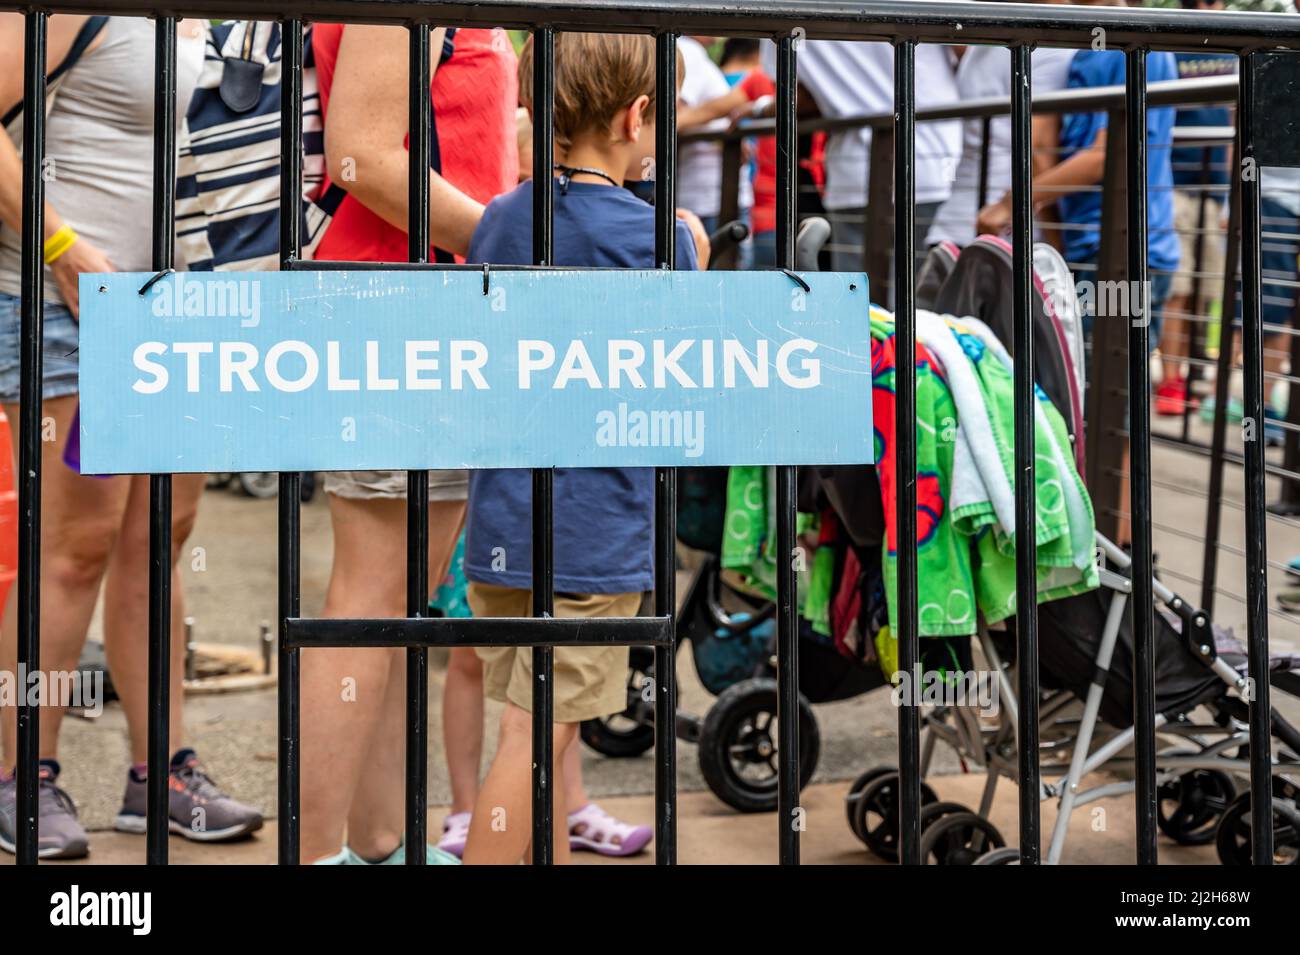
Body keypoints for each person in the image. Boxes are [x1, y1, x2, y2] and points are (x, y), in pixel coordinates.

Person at [0, 14, 261, 859]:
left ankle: (163, 777)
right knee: (74, 546)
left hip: (178, 309)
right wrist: (62, 249)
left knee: (160, 541)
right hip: (69, 305)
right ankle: (21, 776)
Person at [461, 30, 703, 866]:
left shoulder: (498, 218)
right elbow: (681, 367)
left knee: (546, 739)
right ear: (637, 116)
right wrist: (692, 254)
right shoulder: (653, 240)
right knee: (534, 736)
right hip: (593, 535)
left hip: (502, 526)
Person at [299, 21, 519, 865]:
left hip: (434, 302)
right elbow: (359, 154)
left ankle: (379, 844)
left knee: (393, 602)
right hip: (403, 302)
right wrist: (520, 241)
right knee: (371, 596)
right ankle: (321, 853)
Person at [770, 40, 960, 275]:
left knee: (860, 297)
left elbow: (796, 94)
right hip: (935, 158)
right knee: (917, 298)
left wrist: (760, 109)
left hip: (858, 168)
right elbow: (963, 49)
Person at [926, 6, 1075, 248]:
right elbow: (1036, 150)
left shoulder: (985, 44)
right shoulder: (1050, 46)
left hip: (954, 224)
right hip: (1008, 232)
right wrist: (1058, 243)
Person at [1155, 0, 1235, 417]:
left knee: (1204, 292)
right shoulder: (1170, 42)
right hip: (1176, 188)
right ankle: (1170, 380)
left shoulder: (1230, 48)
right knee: (1178, 291)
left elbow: (1234, 126)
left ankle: (1190, 378)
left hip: (1213, 191)